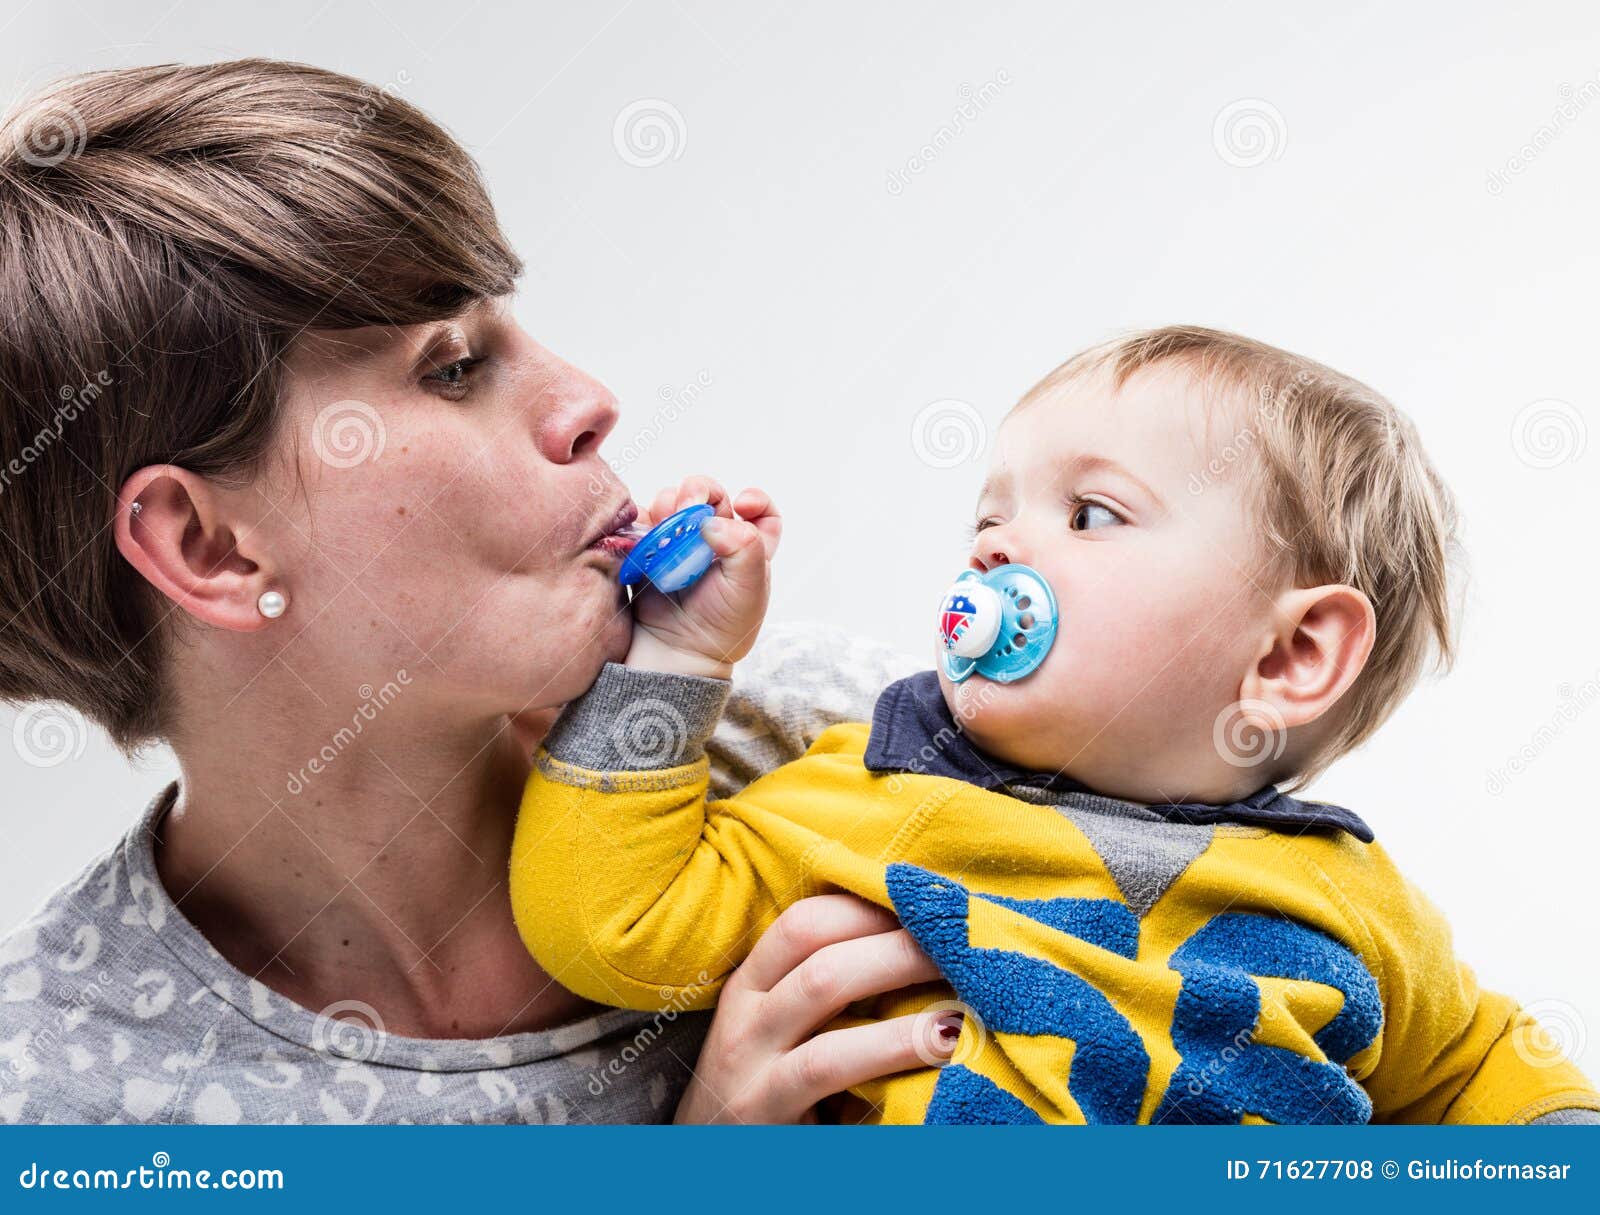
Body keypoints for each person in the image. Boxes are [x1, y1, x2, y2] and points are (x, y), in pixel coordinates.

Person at [0, 58, 946, 1124]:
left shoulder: (849, 738)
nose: (590, 401)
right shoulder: (53, 1103)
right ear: (207, 547)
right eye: (452, 366)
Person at [512, 327, 1600, 1124]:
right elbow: (614, 928)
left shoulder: (1352, 899)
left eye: (1089, 514)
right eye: (989, 517)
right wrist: (677, 659)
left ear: (1290, 656)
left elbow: (1481, 1072)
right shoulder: (863, 795)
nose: (993, 547)